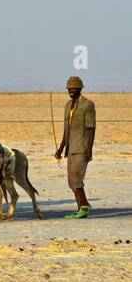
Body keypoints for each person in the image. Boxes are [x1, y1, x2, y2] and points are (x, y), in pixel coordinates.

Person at [54, 75, 95, 219]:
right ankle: (84, 204)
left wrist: (89, 150)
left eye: (74, 88)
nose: (71, 91)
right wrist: (60, 148)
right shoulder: (67, 106)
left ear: (80, 89)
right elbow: (66, 130)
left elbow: (91, 128)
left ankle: (82, 208)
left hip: (82, 147)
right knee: (71, 180)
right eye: (69, 88)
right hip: (70, 148)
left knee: (76, 178)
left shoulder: (87, 105)